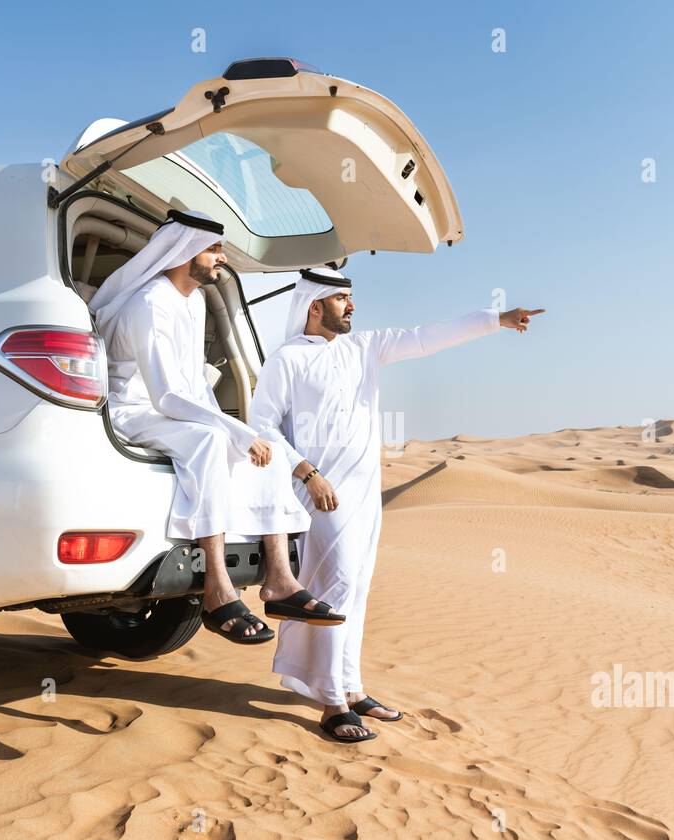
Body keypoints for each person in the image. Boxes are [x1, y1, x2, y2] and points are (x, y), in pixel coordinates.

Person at [249, 267, 543, 741]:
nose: (353, 306)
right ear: (315, 305)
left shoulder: (363, 348)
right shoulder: (286, 360)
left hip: (365, 492)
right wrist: (307, 472)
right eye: (344, 298)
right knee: (336, 585)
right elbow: (262, 426)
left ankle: (351, 685)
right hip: (320, 492)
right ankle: (331, 703)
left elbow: (426, 337)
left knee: (357, 589)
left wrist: (496, 319)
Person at [89, 211, 345, 643]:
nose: (220, 257)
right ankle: (216, 589)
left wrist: (244, 435)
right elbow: (166, 395)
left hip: (177, 411)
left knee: (268, 450)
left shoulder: (191, 300)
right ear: (181, 251)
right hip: (135, 410)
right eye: (212, 249)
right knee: (212, 438)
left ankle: (280, 580)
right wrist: (234, 430)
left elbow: (193, 388)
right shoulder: (149, 303)